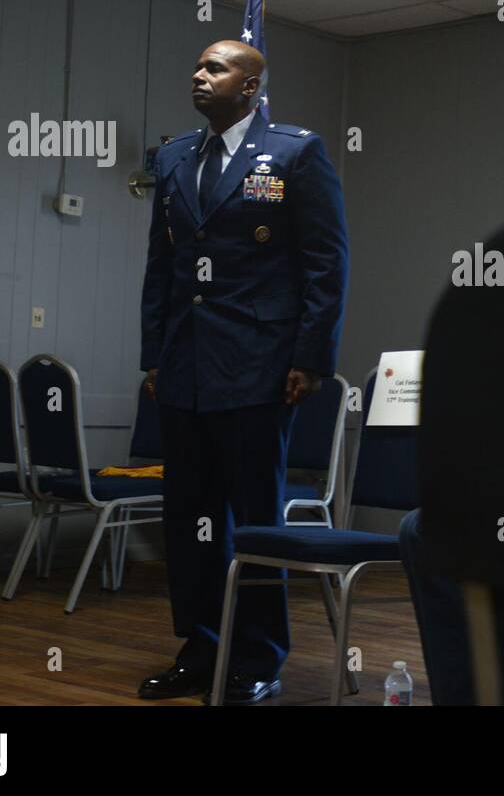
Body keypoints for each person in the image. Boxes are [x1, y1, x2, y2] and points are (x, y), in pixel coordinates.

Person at [136, 40, 348, 704]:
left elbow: (326, 263)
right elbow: (161, 267)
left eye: (216, 67)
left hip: (259, 367)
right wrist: (152, 352)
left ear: (251, 85)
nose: (199, 74)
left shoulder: (294, 152)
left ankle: (258, 655)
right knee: (188, 517)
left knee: (254, 519)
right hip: (185, 366)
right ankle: (202, 646)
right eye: (196, 64)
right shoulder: (173, 157)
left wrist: (311, 358)